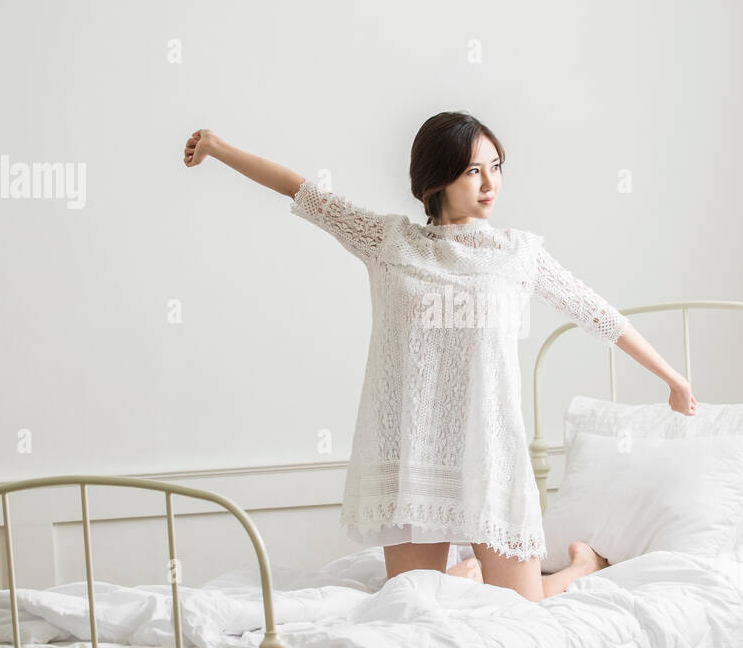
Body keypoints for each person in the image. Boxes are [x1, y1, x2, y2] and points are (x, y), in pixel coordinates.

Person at [183, 112, 695, 602]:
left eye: (496, 167)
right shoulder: (390, 243)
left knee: (521, 609)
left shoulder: (517, 255)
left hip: (489, 456)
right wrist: (218, 148)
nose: (490, 183)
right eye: (473, 170)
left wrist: (673, 380)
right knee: (416, 606)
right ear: (437, 178)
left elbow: (598, 314)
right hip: (412, 459)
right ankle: (466, 574)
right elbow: (301, 191)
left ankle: (582, 566)